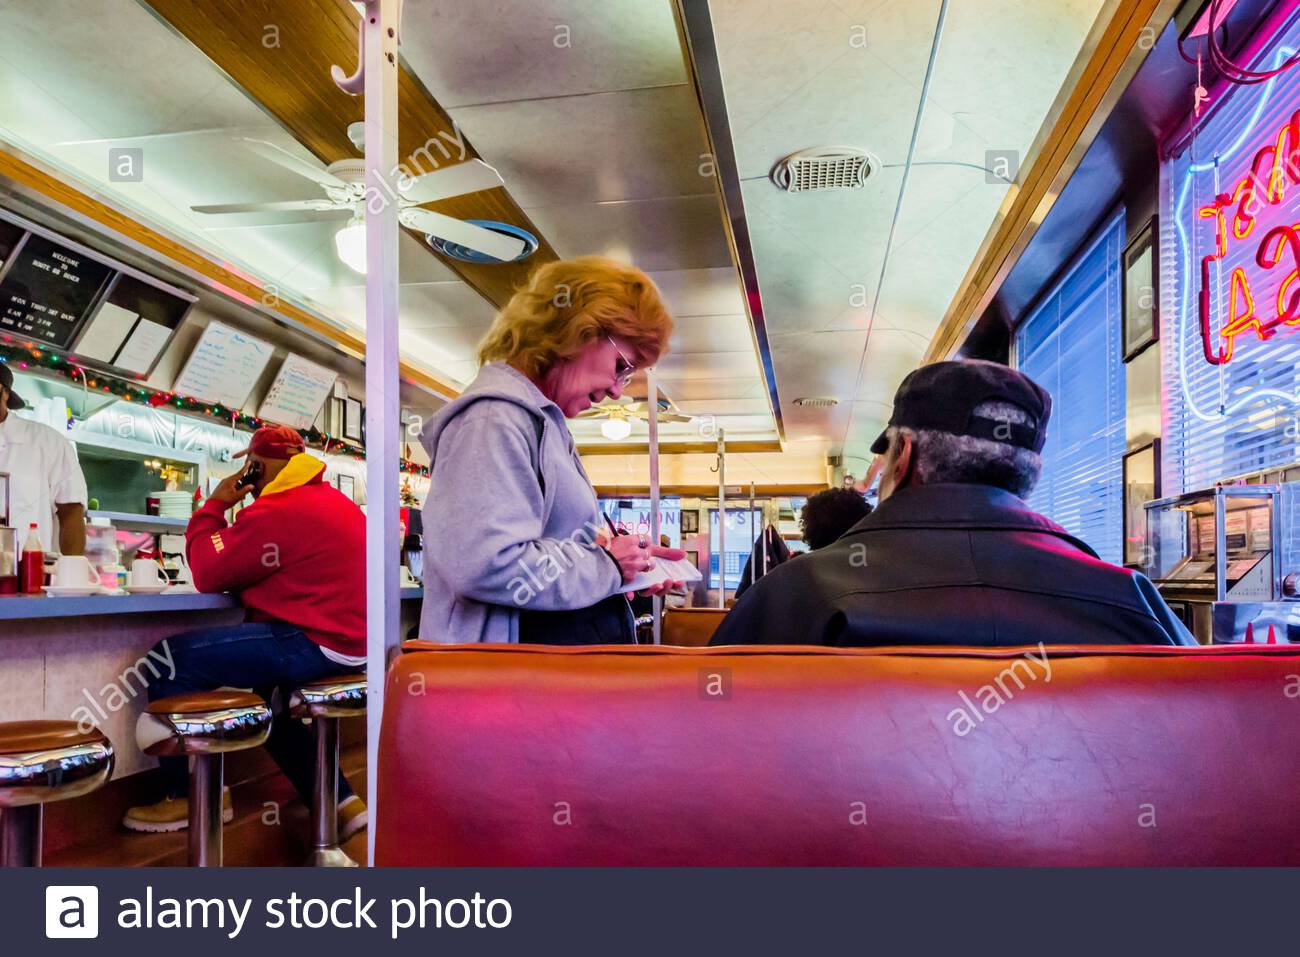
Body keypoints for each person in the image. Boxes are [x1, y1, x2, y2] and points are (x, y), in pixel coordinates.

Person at [710, 360, 1195, 648]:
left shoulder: (794, 595)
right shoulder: (1130, 602)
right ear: (1031, 473)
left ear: (904, 458)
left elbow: (706, 754)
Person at [419, 256, 685, 645]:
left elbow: (543, 549)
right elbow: (485, 564)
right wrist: (607, 564)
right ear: (577, 332)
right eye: (620, 366)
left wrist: (622, 562)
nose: (616, 389)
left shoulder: (538, 421)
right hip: (511, 684)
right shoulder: (495, 420)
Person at [123, 425, 368, 837]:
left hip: (317, 642)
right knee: (269, 697)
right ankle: (340, 801)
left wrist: (216, 503)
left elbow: (206, 571)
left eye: (252, 469)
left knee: (169, 659)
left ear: (255, 466)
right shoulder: (332, 500)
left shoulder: (278, 508)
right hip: (352, 644)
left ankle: (186, 796)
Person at [0, 363, 87, 556]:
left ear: (5, 393)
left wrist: (71, 573)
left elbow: (71, 511)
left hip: (28, 577)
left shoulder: (48, 442)